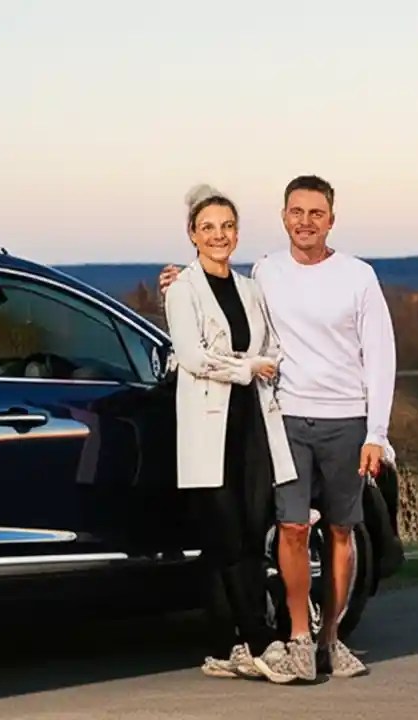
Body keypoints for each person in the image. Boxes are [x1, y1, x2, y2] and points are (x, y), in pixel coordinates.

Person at [159, 175, 396, 681]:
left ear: (331, 219)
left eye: (316, 213)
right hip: (285, 417)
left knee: (340, 530)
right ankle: (298, 640)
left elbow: (381, 356)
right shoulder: (267, 271)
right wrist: (178, 282)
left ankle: (331, 640)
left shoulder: (358, 277)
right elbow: (210, 305)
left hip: (345, 418)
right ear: (284, 216)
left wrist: (377, 432)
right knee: (290, 528)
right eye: (296, 212)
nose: (305, 222)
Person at [163, 183, 300, 683]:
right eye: (207, 227)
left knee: (247, 533)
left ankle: (227, 647)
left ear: (237, 233)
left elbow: (274, 347)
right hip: (210, 428)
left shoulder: (249, 290)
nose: (218, 235)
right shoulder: (183, 290)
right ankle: (261, 641)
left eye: (226, 226)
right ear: (192, 234)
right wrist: (246, 367)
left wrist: (258, 363)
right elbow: (193, 357)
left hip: (253, 425)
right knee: (227, 536)